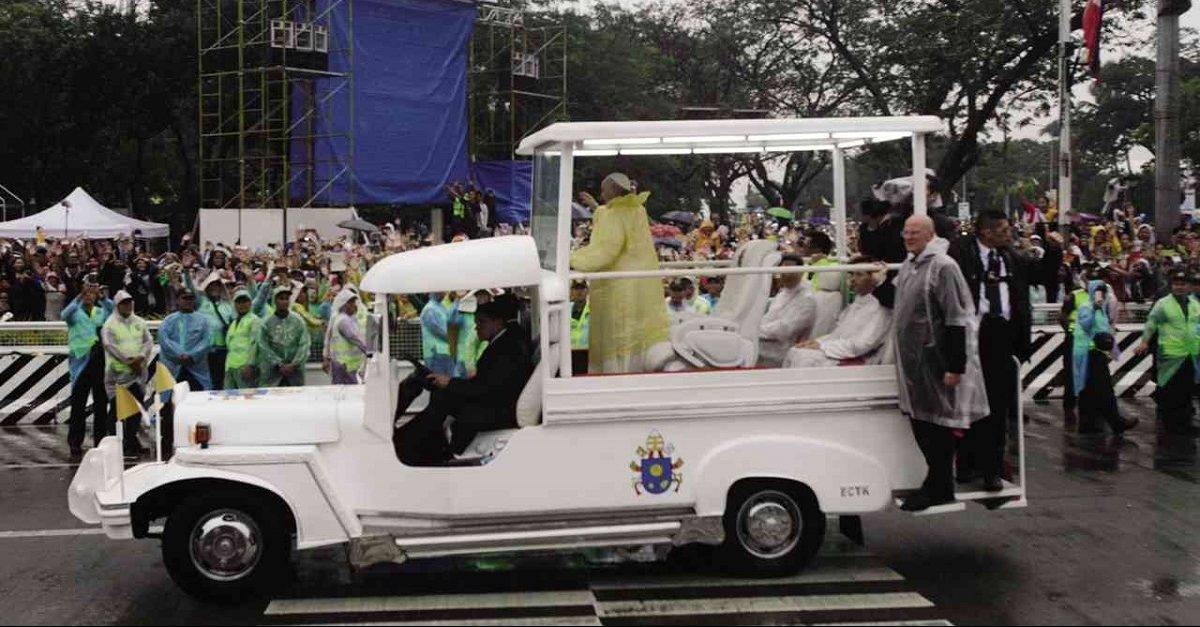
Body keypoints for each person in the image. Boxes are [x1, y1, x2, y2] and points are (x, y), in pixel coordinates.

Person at [892, 215, 989, 512]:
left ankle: (940, 487)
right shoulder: (910, 264)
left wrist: (955, 365)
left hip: (937, 360)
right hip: (914, 363)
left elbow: (957, 317)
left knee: (938, 428)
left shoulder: (943, 267)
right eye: (906, 232)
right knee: (922, 423)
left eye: (915, 232)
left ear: (930, 234)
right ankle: (934, 483)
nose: (909, 237)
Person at [947, 210, 1033, 492]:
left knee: (996, 407)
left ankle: (991, 470)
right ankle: (966, 464)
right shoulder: (963, 254)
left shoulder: (1010, 258)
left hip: (1002, 334)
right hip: (974, 333)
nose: (1009, 235)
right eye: (1004, 230)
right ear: (987, 232)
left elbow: (1032, 280)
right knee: (969, 404)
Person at [394, 301, 532, 465]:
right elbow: (485, 384)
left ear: (498, 322)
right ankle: (416, 444)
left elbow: (486, 388)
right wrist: (450, 383)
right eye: (476, 322)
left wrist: (450, 383)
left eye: (482, 322)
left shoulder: (507, 349)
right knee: (442, 396)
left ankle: (407, 446)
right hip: (494, 400)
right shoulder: (504, 342)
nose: (476, 328)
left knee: (444, 398)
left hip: (497, 408)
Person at [569, 173, 670, 373]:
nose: (601, 194)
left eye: (604, 190)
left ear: (614, 190)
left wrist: (572, 260)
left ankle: (616, 375)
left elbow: (606, 251)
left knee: (617, 335)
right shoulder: (637, 210)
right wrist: (596, 207)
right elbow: (613, 218)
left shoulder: (613, 214)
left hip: (616, 287)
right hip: (638, 285)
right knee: (634, 334)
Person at [785, 259, 890, 367]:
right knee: (794, 351)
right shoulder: (856, 304)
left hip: (859, 357)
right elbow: (838, 335)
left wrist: (822, 346)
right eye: (852, 274)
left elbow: (862, 345)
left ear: (873, 279)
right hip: (839, 350)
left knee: (804, 358)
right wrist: (816, 342)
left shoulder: (879, 308)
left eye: (859, 275)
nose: (853, 279)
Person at [1135, 269, 1198, 435]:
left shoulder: (1195, 304)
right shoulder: (1163, 303)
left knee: (1186, 389)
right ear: (1171, 285)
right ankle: (1169, 424)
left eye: (1183, 284)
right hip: (1170, 354)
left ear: (1189, 286)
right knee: (1169, 389)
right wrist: (1144, 341)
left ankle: (1184, 423)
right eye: (1176, 284)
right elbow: (1151, 323)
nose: (1180, 287)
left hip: (1190, 353)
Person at [1074, 280, 1136, 434]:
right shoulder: (1086, 307)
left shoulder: (1103, 310)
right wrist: (1094, 309)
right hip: (1089, 353)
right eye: (1097, 291)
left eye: (1102, 291)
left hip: (1098, 353)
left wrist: (1114, 352)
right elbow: (1086, 325)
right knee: (1105, 389)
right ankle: (1116, 422)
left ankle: (1087, 424)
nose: (1100, 295)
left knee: (1089, 391)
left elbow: (1106, 330)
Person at [61, 284, 113, 460]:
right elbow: (64, 314)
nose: (89, 296)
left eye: (92, 294)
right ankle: (75, 442)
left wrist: (103, 298)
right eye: (87, 294)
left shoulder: (100, 312)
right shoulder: (75, 313)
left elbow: (113, 311)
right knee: (78, 405)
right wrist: (78, 297)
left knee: (100, 404)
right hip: (81, 362)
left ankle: (100, 440)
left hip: (99, 361)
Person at [100, 291, 153, 458]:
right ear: (117, 305)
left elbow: (148, 341)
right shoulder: (110, 325)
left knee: (136, 410)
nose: (127, 306)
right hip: (117, 374)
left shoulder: (139, 322)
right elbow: (110, 346)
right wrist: (128, 361)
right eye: (124, 303)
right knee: (117, 411)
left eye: (129, 302)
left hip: (137, 372)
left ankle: (131, 442)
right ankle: (114, 444)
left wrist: (141, 357)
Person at [758, 255, 817, 367]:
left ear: (800, 272)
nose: (784, 274)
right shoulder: (784, 292)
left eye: (789, 270)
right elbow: (769, 318)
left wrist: (756, 331)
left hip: (782, 351)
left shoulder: (806, 299)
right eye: (782, 270)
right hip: (767, 341)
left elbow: (784, 330)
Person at [158, 290, 214, 392]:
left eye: (191, 298)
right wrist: (179, 354)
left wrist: (191, 355)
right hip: (173, 365)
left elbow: (207, 340)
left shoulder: (203, 320)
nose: (188, 301)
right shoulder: (168, 320)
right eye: (185, 298)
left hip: (196, 366)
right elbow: (163, 339)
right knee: (171, 399)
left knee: (199, 396)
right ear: (177, 300)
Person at [256, 285, 311, 387]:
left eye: (286, 299)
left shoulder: (298, 321)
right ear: (274, 300)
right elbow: (263, 345)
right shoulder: (266, 322)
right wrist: (278, 364)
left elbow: (304, 343)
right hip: (273, 372)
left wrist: (294, 364)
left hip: (295, 372)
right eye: (281, 298)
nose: (284, 301)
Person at [190, 272, 235, 390]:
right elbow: (190, 289)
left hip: (222, 350)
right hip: (203, 350)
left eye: (217, 285)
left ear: (221, 288)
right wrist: (186, 270)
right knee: (204, 381)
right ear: (207, 287)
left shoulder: (228, 306)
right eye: (211, 285)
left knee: (220, 382)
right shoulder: (201, 302)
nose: (214, 288)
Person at [324, 288, 371, 384]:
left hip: (342, 365)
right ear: (345, 305)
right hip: (345, 366)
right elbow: (358, 340)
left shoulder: (341, 318)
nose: (355, 305)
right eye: (352, 302)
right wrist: (371, 353)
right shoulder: (344, 321)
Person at [223, 289, 261, 390]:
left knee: (247, 400)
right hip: (230, 366)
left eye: (245, 301)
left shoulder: (254, 320)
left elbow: (255, 344)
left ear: (250, 303)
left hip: (245, 367)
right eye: (239, 302)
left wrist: (250, 365)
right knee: (229, 400)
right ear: (234, 304)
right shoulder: (234, 322)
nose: (242, 304)